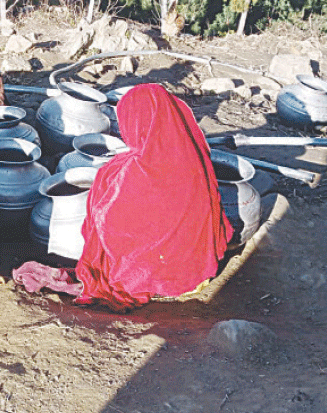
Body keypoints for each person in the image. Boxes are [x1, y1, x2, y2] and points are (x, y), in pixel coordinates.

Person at [74, 83, 232, 310]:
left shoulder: (126, 172)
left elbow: (106, 225)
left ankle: (154, 281)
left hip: (150, 273)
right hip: (195, 271)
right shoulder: (193, 154)